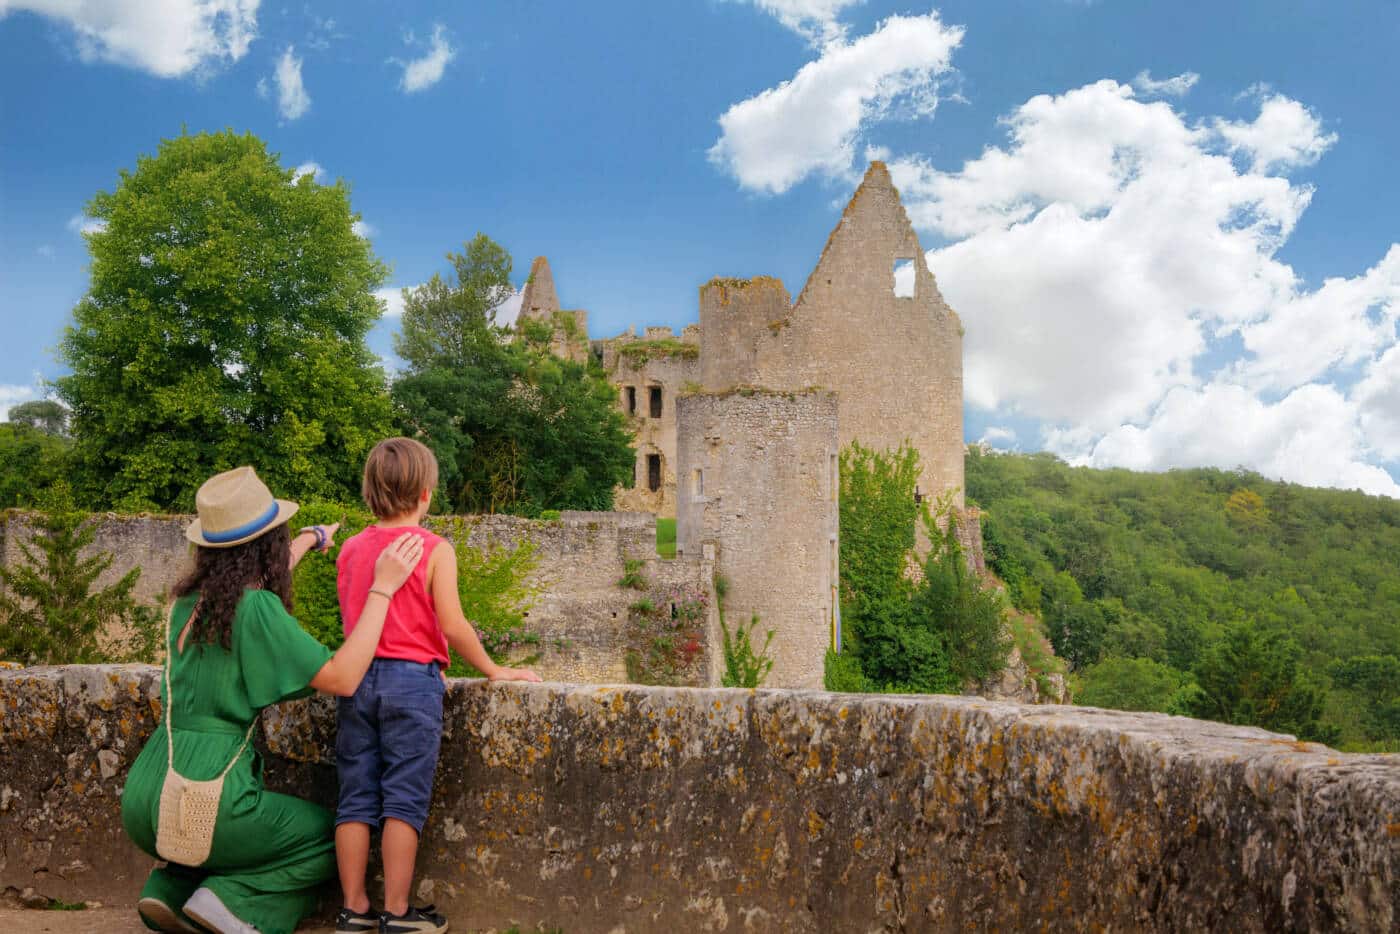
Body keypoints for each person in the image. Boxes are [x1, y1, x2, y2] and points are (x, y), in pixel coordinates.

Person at [121, 466, 426, 934]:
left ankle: (168, 891)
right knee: (325, 836)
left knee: (211, 841)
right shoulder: (257, 610)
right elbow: (343, 678)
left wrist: (310, 539)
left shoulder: (187, 604)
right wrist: (383, 586)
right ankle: (232, 903)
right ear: (267, 543)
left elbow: (254, 581)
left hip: (148, 793)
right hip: (213, 796)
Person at [333, 438, 541, 934]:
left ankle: (354, 908)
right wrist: (493, 669)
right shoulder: (434, 549)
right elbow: (453, 625)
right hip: (411, 684)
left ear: (369, 491)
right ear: (426, 493)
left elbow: (358, 623)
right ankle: (397, 912)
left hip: (356, 679)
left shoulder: (351, 548)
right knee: (403, 798)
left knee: (355, 797)